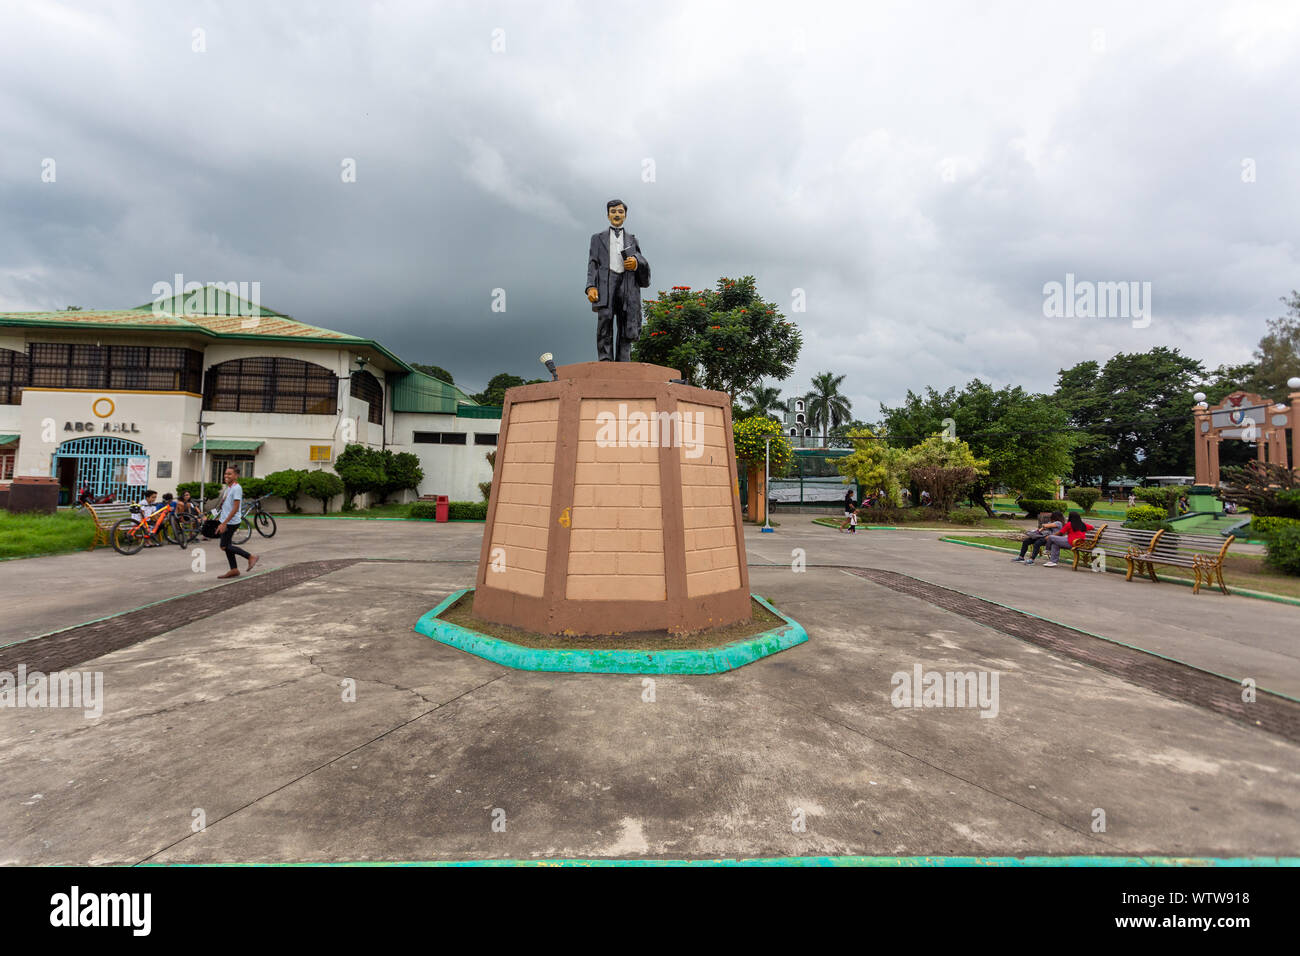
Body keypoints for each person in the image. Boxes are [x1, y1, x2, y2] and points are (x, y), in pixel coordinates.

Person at [585, 199, 651, 362]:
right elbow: (593, 263)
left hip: (627, 283)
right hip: (606, 282)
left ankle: (624, 360)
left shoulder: (632, 239)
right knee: (605, 319)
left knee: (626, 320)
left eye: (620, 212)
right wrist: (591, 286)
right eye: (613, 211)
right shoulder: (597, 238)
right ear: (608, 215)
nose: (617, 214)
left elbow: (640, 259)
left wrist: (636, 263)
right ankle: (605, 359)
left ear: (625, 216)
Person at [215, 467, 258, 579]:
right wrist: (219, 519)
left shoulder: (237, 488)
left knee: (224, 546)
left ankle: (250, 557)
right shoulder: (228, 488)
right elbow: (226, 506)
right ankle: (234, 569)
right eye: (225, 473)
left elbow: (235, 507)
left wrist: (225, 523)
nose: (226, 476)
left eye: (229, 474)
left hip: (231, 522)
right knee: (227, 545)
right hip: (225, 520)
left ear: (236, 476)